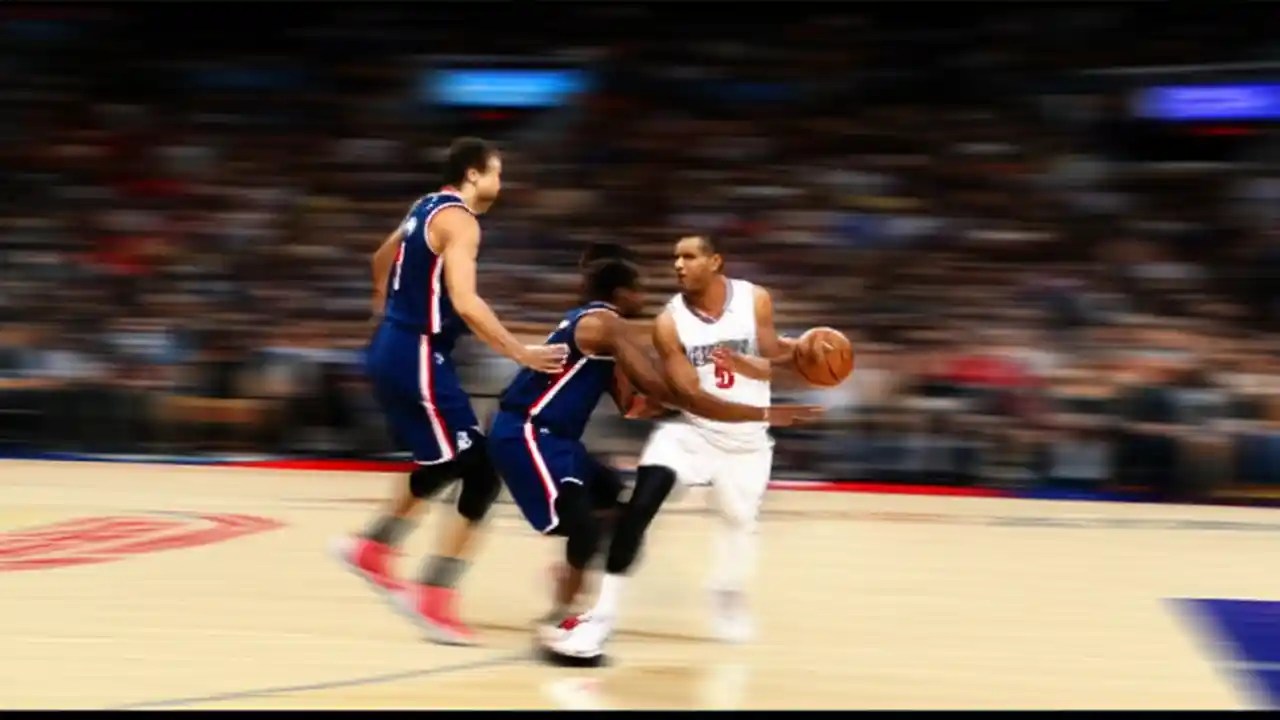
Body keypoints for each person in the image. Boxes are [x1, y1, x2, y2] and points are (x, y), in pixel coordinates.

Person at [488, 254, 821, 652]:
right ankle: (562, 614)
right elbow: (656, 386)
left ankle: (574, 574)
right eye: (637, 289)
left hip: (558, 440)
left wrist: (695, 398)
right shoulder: (606, 324)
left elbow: (636, 404)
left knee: (617, 505)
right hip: (527, 432)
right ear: (620, 293)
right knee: (584, 529)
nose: (643, 295)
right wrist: (714, 397)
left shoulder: (598, 331)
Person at [330, 137, 568, 646]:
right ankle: (434, 596)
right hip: (416, 353)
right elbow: (466, 300)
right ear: (475, 174)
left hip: (394, 348)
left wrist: (384, 312)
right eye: (497, 173)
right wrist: (519, 352)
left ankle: (372, 547)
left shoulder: (423, 207)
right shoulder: (462, 221)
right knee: (483, 473)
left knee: (445, 464)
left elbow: (380, 257)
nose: (501, 184)